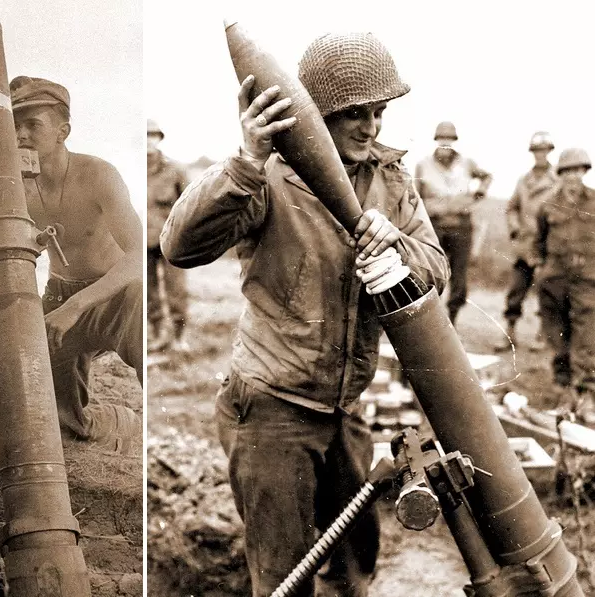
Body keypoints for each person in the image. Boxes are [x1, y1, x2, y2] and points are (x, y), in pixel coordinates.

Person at [161, 33, 448, 597]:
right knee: (284, 575)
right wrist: (245, 162)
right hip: (273, 409)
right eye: (354, 115)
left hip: (344, 408)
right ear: (320, 114)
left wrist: (397, 246)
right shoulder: (267, 177)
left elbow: (435, 267)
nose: (371, 128)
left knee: (354, 560)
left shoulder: (391, 181)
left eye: (379, 113)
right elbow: (178, 246)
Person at [12, 76, 143, 452]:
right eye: (14, 124)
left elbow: (137, 257)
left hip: (114, 295)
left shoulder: (98, 175)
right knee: (60, 423)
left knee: (139, 301)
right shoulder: (16, 185)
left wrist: (77, 306)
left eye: (32, 124)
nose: (20, 133)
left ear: (62, 131)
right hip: (58, 295)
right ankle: (109, 421)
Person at [534, 148, 595, 422]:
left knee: (586, 338)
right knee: (557, 335)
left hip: (587, 280)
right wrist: (540, 268)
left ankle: (586, 395)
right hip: (555, 280)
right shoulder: (547, 205)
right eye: (567, 171)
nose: (573, 176)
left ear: (585, 171)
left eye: (578, 170)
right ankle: (562, 388)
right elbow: (539, 242)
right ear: (560, 174)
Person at [414, 121, 492, 324]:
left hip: (461, 225)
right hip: (435, 225)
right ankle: (430, 319)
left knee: (459, 275)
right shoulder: (423, 165)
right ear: (436, 140)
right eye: (442, 139)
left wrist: (479, 193)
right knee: (431, 271)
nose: (445, 143)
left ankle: (453, 319)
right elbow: (415, 195)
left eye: (449, 139)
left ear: (454, 141)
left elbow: (486, 177)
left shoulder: (466, 163)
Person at [495, 132, 558, 351]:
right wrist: (515, 227)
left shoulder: (557, 180)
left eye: (544, 151)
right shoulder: (524, 180)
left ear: (549, 151)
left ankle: (542, 336)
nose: (540, 155)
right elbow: (512, 208)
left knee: (545, 291)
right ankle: (510, 334)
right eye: (536, 151)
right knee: (515, 292)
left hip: (546, 247)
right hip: (524, 246)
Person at [146, 118, 190, 352]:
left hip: (172, 242)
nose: (147, 141)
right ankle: (155, 335)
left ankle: (180, 338)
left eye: (152, 136)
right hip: (144, 242)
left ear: (159, 139)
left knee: (177, 292)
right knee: (149, 293)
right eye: (143, 135)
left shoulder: (175, 170)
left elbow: (190, 204)